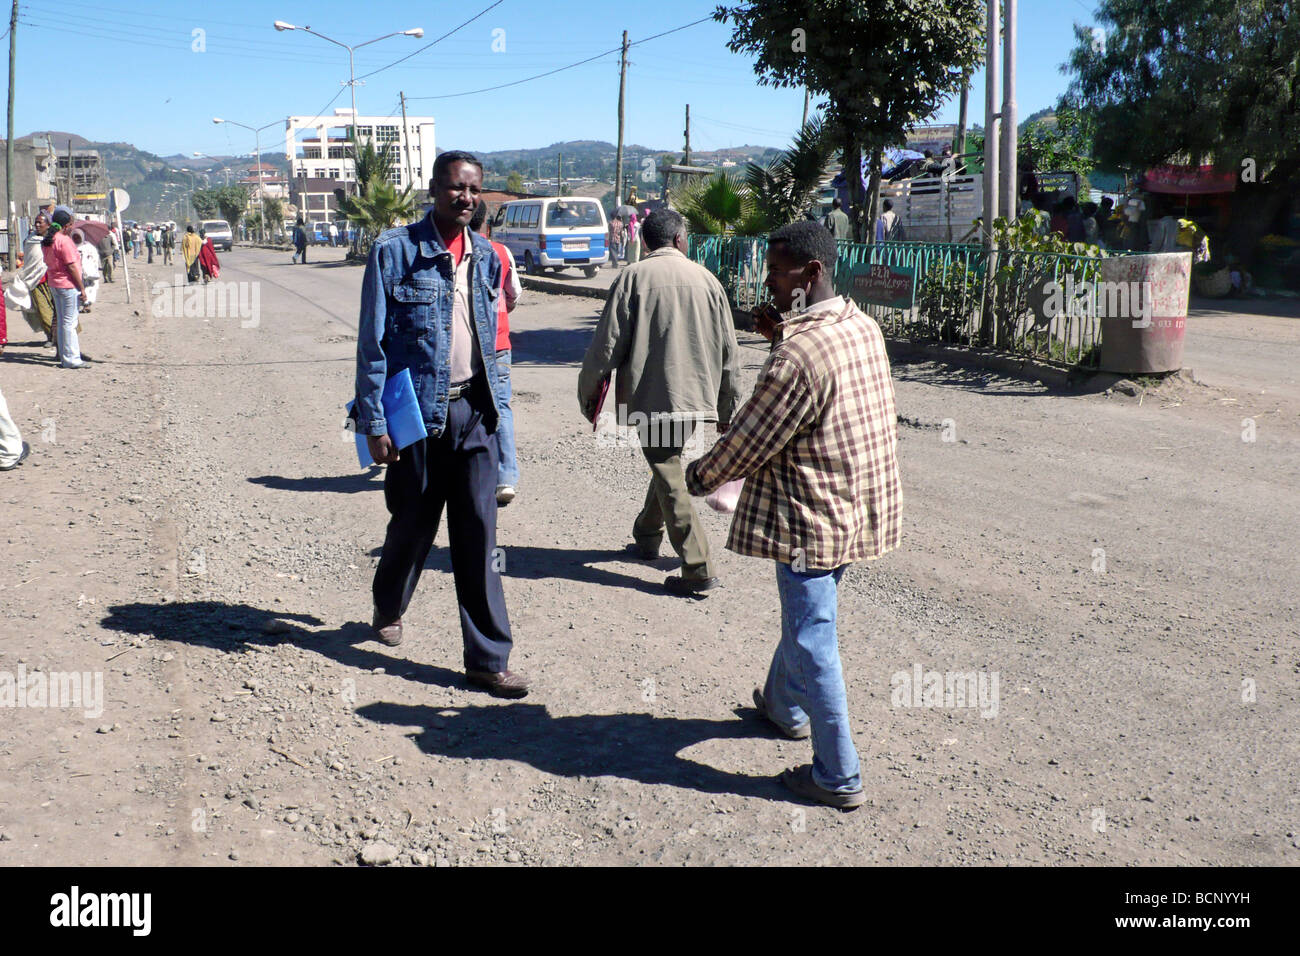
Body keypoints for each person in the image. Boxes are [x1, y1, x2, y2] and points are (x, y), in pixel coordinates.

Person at [684, 220, 903, 809]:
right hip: (858, 505)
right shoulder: (860, 325)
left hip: (813, 515)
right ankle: (784, 708)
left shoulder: (799, 355)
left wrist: (700, 475)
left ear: (810, 274)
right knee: (810, 617)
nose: (769, 282)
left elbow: (752, 438)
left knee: (812, 637)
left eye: (778, 272)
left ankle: (838, 776)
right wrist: (780, 335)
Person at [354, 149, 528, 699]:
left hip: (475, 411)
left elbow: (493, 343)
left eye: (475, 189)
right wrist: (373, 421)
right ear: (433, 189)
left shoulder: (488, 256)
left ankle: (487, 659)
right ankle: (388, 603)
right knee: (411, 524)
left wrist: (503, 420)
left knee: (478, 535)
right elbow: (372, 345)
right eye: (457, 187)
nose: (467, 198)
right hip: (416, 415)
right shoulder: (394, 251)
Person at [578, 207, 740, 597]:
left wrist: (589, 394)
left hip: (651, 395)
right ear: (680, 240)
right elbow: (728, 351)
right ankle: (647, 535)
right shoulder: (708, 280)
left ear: (645, 241)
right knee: (666, 463)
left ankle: (697, 564)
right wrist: (726, 408)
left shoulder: (633, 276)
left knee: (666, 468)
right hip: (697, 395)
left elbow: (606, 345)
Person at [469, 200, 522, 505]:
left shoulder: (452, 251)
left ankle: (471, 475)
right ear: (486, 223)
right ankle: (506, 478)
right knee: (501, 407)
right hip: (499, 344)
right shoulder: (500, 252)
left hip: (464, 349)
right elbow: (513, 293)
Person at [41, 209, 88, 368]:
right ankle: (72, 359)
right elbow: (72, 267)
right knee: (69, 323)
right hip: (68, 285)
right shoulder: (64, 241)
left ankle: (64, 355)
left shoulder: (48, 240)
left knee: (62, 322)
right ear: (65, 225)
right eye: (70, 224)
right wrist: (82, 288)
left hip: (54, 284)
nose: (71, 227)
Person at [71, 230, 101, 313]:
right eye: (75, 236)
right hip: (76, 272)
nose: (76, 238)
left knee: (89, 288)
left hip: (88, 272)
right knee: (79, 289)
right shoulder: (71, 247)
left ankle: (87, 305)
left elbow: (95, 258)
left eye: (78, 237)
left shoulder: (89, 247)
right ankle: (82, 304)